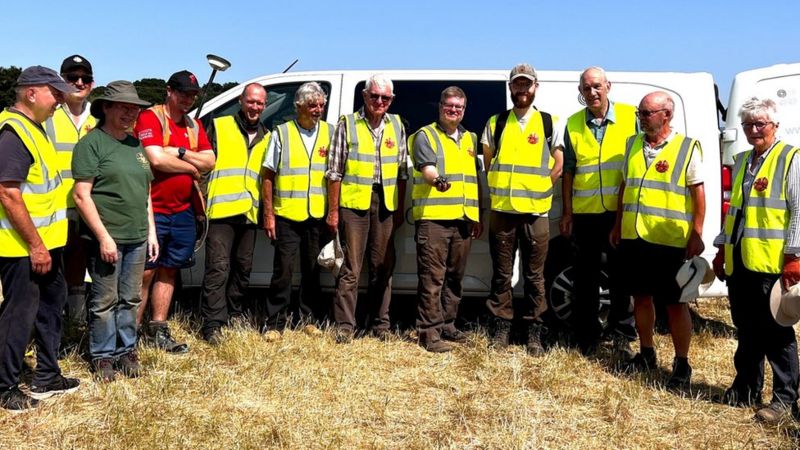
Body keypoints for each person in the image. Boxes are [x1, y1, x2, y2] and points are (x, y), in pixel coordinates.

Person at [712, 97, 799, 424]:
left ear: (774, 125)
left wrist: (794, 257)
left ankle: (785, 401)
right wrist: (722, 248)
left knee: (777, 334)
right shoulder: (743, 160)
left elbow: (799, 212)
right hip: (740, 262)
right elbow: (734, 212)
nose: (753, 130)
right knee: (746, 330)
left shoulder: (791, 159)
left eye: (760, 124)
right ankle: (746, 387)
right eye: (748, 124)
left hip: (773, 264)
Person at [610, 91, 705, 388]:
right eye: (640, 112)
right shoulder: (632, 144)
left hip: (669, 239)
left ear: (666, 115)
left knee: (676, 304)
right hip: (634, 234)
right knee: (640, 296)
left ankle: (681, 364)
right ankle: (646, 352)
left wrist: (697, 233)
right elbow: (625, 186)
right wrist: (617, 224)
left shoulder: (686, 148)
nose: (641, 118)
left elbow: (697, 193)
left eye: (647, 113)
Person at [0, 66, 81, 412]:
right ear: (31, 93)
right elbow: (8, 194)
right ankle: (4, 387)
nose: (60, 101)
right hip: (23, 248)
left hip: (47, 244)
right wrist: (35, 246)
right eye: (55, 93)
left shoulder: (37, 129)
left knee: (52, 305)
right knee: (19, 315)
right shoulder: (14, 133)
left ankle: (47, 375)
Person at [72, 81, 157, 381]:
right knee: (104, 300)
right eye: (122, 107)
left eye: (134, 108)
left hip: (136, 237)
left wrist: (152, 232)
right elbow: (81, 195)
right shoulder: (91, 144)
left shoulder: (135, 145)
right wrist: (104, 237)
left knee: (130, 298)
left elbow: (144, 192)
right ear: (105, 107)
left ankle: (126, 350)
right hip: (107, 238)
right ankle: (103, 355)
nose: (130, 113)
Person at [481, 63, 563, 355]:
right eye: (517, 84)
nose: (522, 89)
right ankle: (501, 326)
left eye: (527, 84)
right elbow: (489, 161)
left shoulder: (549, 122)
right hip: (503, 211)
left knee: (535, 276)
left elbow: (559, 164)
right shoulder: (496, 122)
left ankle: (534, 330)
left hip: (536, 212)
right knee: (501, 274)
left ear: (535, 87)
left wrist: (541, 187)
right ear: (511, 88)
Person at [134, 70, 216, 353]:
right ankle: (130, 335)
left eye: (192, 95)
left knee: (169, 271)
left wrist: (179, 152)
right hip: (152, 209)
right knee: (145, 272)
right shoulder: (150, 117)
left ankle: (158, 328)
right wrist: (191, 167)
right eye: (182, 93)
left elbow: (211, 160)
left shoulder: (193, 125)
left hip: (183, 211)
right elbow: (154, 158)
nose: (188, 100)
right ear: (169, 91)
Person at [559, 67, 637, 356]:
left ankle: (622, 335)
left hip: (621, 213)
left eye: (597, 86)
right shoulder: (573, 123)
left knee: (621, 278)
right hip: (586, 213)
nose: (592, 92)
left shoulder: (631, 117)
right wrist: (567, 213)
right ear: (580, 92)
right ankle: (587, 336)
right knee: (586, 277)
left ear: (608, 86)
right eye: (586, 88)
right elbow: (568, 171)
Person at [325, 74, 408, 342]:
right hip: (354, 205)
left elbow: (403, 173)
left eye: (385, 98)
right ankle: (345, 326)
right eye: (374, 96)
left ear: (391, 100)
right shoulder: (347, 124)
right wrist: (334, 211)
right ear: (364, 96)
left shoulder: (397, 125)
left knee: (383, 267)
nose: (379, 101)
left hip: (385, 203)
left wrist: (398, 209)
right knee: (351, 267)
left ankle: (380, 325)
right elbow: (334, 172)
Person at [409, 86, 483, 353]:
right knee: (432, 279)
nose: (454, 110)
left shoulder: (470, 139)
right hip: (435, 219)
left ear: (464, 110)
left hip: (463, 219)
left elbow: (474, 181)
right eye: (449, 106)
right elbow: (427, 169)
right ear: (440, 107)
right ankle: (429, 333)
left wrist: (477, 215)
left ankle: (448, 326)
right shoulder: (424, 135)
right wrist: (438, 180)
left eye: (459, 107)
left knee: (454, 278)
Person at [200, 83, 268, 345]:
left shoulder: (267, 135)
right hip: (221, 210)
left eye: (260, 103)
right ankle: (213, 323)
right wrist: (201, 202)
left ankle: (233, 313)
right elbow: (204, 168)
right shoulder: (220, 126)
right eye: (251, 102)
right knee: (218, 268)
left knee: (243, 268)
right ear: (241, 101)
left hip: (249, 213)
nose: (255, 107)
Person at [263, 82, 333, 337]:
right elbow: (268, 176)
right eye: (312, 105)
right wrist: (268, 214)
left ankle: (309, 318)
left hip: (316, 214)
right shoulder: (281, 133)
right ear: (299, 106)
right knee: (283, 271)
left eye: (321, 105)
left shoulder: (330, 132)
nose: (318, 110)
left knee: (312, 271)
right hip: (287, 215)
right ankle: (274, 323)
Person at [44, 55, 97, 323]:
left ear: (92, 83)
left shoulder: (100, 116)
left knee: (78, 262)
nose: (78, 82)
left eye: (84, 78)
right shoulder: (47, 115)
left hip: (89, 207)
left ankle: (75, 321)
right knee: (49, 267)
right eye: (71, 78)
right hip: (53, 206)